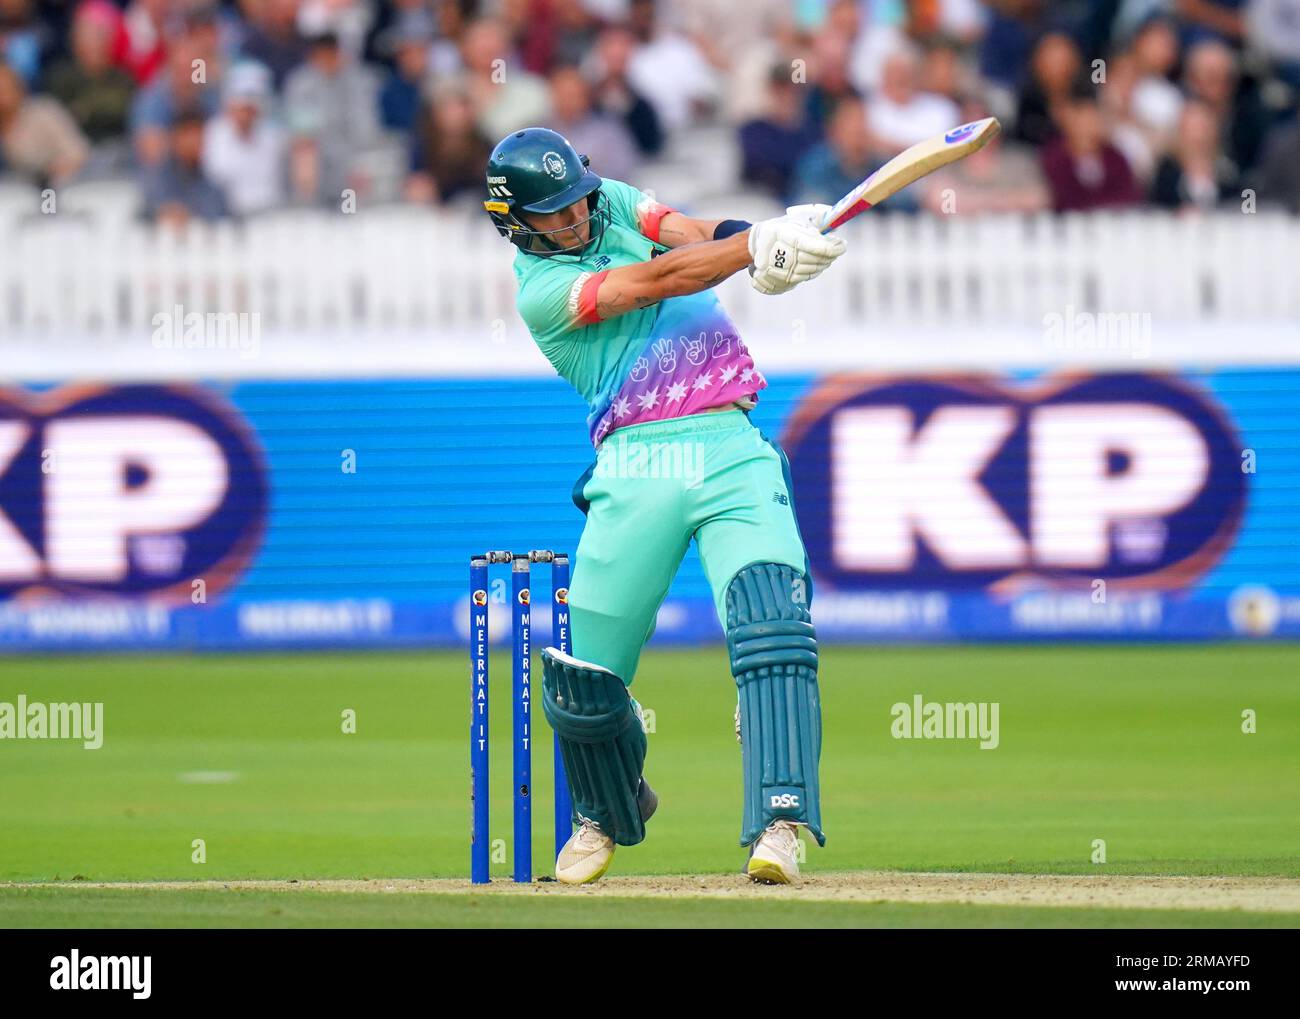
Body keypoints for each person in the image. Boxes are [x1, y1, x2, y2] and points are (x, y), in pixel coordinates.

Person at [483, 127, 844, 885]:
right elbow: (658, 281)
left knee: (773, 623)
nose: (578, 217)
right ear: (515, 221)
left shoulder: (609, 202)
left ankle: (780, 824)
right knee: (585, 678)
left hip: (730, 441)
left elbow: (687, 233)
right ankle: (604, 812)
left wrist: (767, 238)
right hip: (635, 459)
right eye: (555, 213)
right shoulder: (540, 293)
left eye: (578, 198)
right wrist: (752, 252)